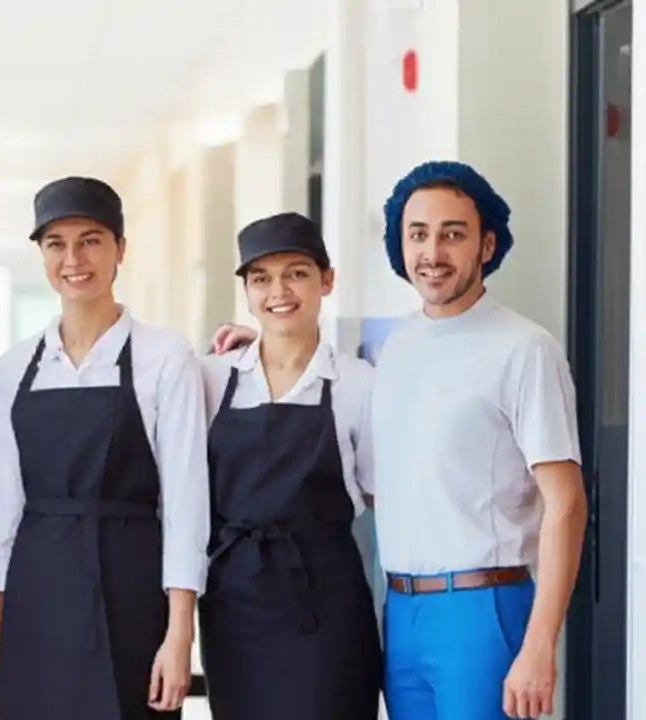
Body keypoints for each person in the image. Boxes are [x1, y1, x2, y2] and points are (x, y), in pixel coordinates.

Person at [213, 161, 587, 720]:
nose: (433, 252)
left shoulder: (524, 349)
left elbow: (567, 503)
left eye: (453, 234)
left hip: (482, 606)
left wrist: (539, 645)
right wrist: (267, 342)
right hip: (402, 612)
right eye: (418, 234)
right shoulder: (399, 347)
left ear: (487, 245)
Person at [0, 177, 209, 719]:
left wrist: (180, 635)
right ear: (41, 254)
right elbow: (3, 516)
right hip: (36, 593)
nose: (74, 258)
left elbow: (185, 504)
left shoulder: (165, 357)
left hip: (130, 589)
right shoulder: (15, 366)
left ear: (120, 250)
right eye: (56, 244)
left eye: (90, 240)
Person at [197, 212, 381, 719]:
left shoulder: (357, 383)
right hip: (233, 602)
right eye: (261, 278)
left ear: (327, 280)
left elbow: (381, 497)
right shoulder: (210, 378)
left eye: (296, 273)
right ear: (249, 292)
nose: (279, 290)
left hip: (325, 600)